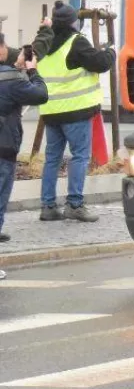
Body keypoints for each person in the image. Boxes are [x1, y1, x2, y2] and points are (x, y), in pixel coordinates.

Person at [32, 2, 115, 223]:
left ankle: (47, 206)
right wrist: (110, 52)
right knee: (80, 157)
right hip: (75, 111)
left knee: (52, 159)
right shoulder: (75, 42)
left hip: (50, 111)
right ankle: (75, 204)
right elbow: (100, 63)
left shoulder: (43, 43)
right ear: (73, 22)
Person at [0, 34, 49, 245]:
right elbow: (40, 94)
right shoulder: (11, 80)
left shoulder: (10, 77)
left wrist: (16, 68)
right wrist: (32, 70)